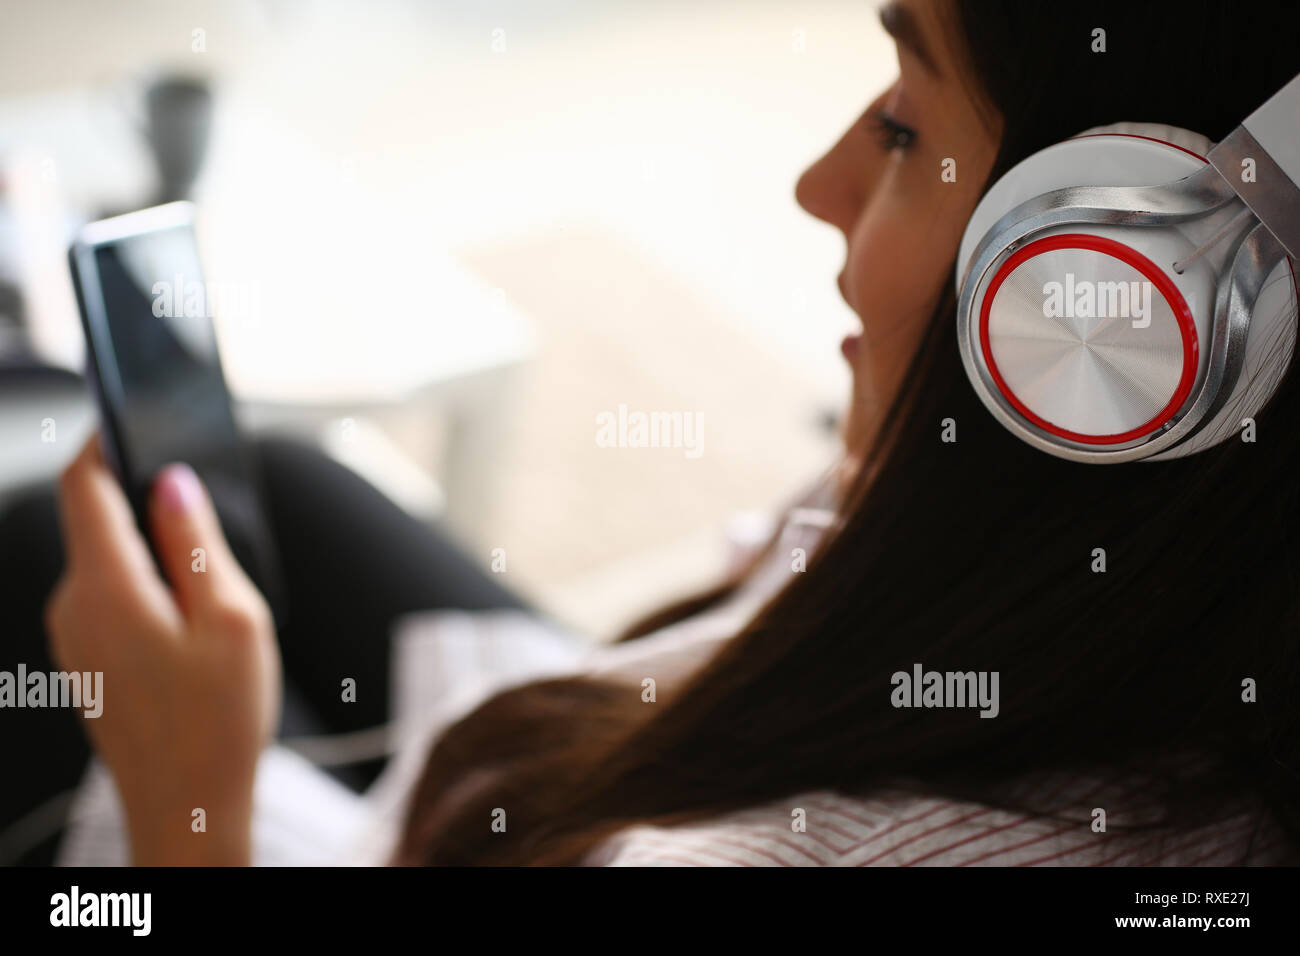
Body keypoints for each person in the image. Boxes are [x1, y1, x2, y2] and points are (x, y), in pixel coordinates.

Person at [2, 0, 1298, 866]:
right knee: (271, 483)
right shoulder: (1163, 584)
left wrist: (191, 805)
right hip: (637, 738)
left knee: (54, 566)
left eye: (907, 125)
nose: (818, 184)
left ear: (1112, 329)